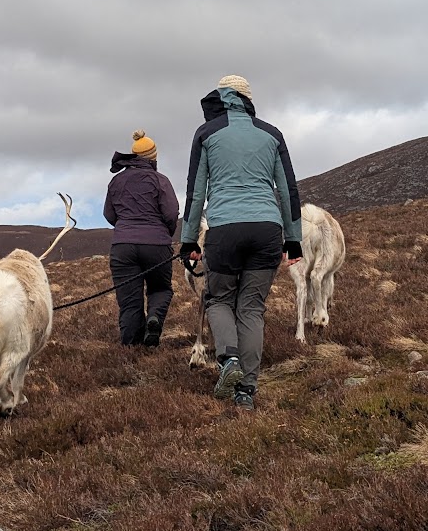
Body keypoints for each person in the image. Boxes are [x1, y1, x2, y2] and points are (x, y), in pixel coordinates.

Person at [179, 75, 302, 412]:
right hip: (267, 229)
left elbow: (196, 191)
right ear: (247, 99)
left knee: (219, 299)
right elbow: (288, 190)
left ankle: (228, 359)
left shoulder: (206, 134)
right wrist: (294, 240)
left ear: (220, 98)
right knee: (251, 307)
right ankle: (246, 391)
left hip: (224, 230)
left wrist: (188, 239)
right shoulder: (272, 134)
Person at [103, 129, 180, 347]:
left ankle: (131, 351)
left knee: (129, 301)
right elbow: (171, 213)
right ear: (153, 157)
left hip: (123, 247)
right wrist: (165, 234)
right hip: (157, 245)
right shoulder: (160, 180)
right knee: (161, 289)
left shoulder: (116, 182)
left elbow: (109, 215)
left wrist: (125, 228)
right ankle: (154, 319)